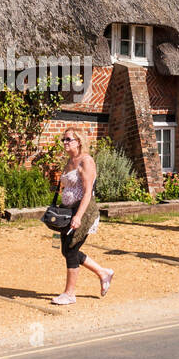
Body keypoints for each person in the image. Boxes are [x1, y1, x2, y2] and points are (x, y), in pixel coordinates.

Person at [51, 129, 114, 305]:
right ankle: (103, 273)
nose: (64, 142)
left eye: (68, 139)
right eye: (63, 139)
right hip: (67, 211)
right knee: (66, 250)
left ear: (78, 141)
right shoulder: (69, 161)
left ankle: (69, 294)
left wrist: (78, 216)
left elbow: (87, 193)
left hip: (83, 212)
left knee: (71, 249)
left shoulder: (86, 161)